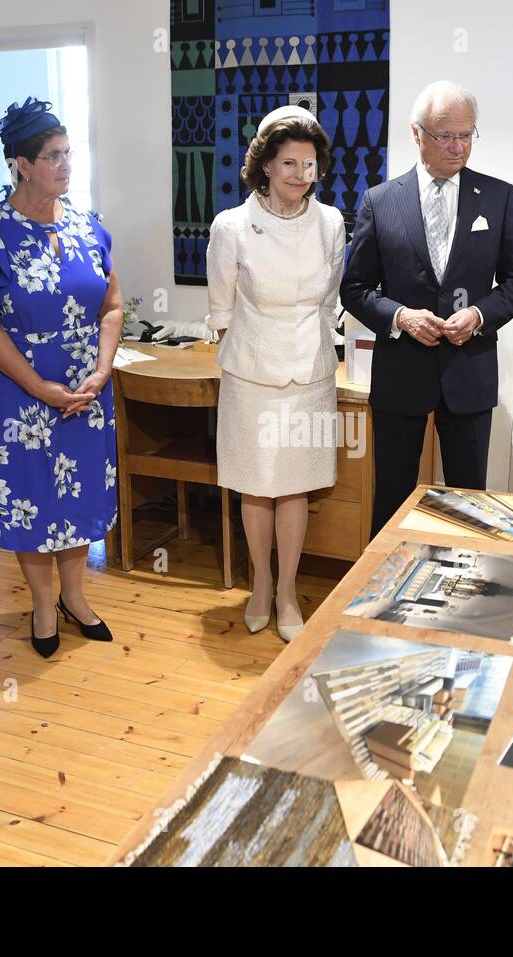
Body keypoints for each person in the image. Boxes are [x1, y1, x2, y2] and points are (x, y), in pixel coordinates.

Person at [0, 98, 120, 659]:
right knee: (34, 499)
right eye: (53, 156)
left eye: (69, 154)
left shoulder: (87, 225)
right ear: (21, 164)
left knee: (76, 499)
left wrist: (102, 369)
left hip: (87, 392)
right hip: (19, 395)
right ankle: (43, 605)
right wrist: (37, 386)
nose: (66, 165)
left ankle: (76, 598)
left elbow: (113, 305)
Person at [341, 81, 513, 536]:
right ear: (417, 133)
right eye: (446, 135)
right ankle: (379, 595)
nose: (458, 146)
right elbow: (355, 288)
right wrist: (400, 317)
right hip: (400, 375)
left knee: (469, 501)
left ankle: (471, 591)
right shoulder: (380, 200)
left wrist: (480, 315)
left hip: (469, 374)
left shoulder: (499, 197)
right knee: (391, 495)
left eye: (467, 135)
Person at [206, 105, 345, 643]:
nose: (300, 175)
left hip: (311, 373)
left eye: (309, 165)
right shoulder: (232, 227)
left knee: (295, 487)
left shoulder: (331, 223)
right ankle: (260, 583)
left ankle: (288, 588)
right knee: (256, 486)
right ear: (264, 165)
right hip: (251, 373)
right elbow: (221, 311)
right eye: (289, 163)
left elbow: (329, 299)